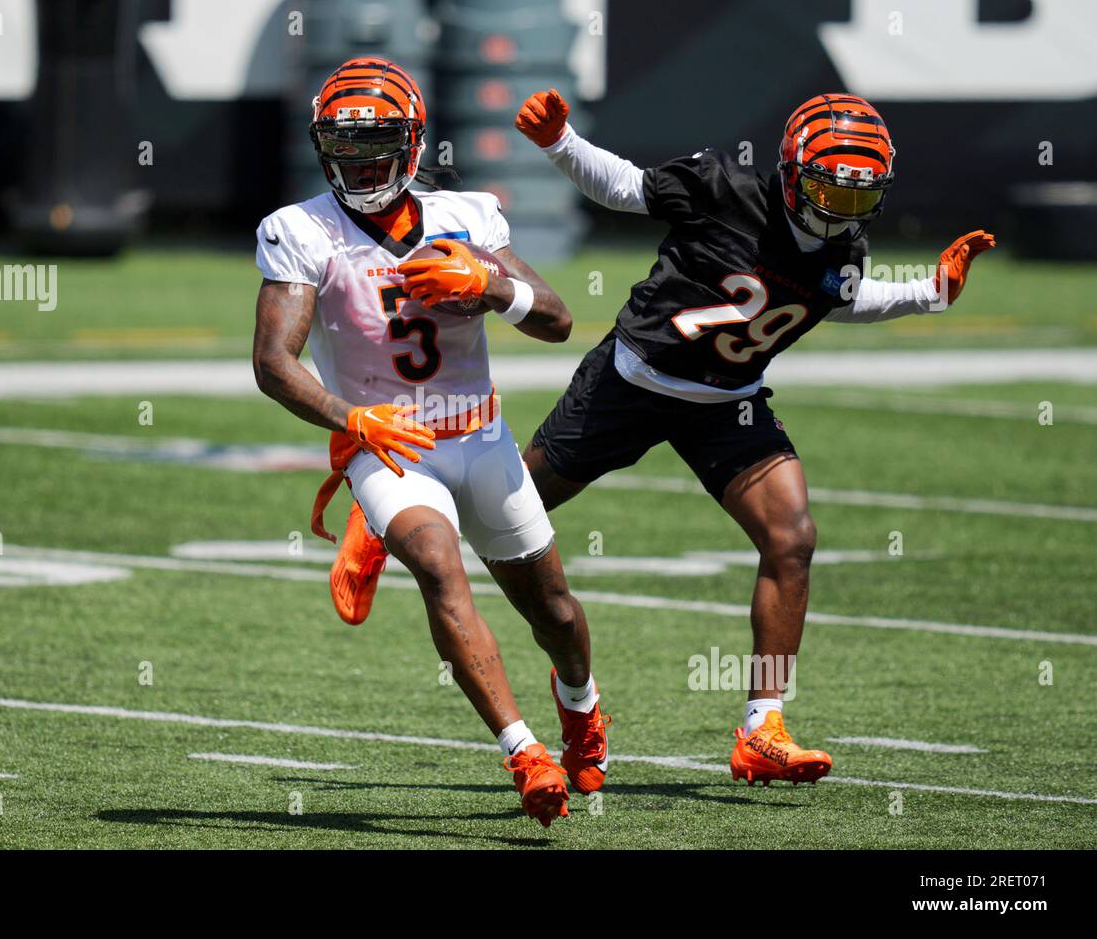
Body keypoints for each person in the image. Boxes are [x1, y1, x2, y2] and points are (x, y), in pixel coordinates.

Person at [514, 88, 995, 785]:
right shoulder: (720, 188)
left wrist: (929, 292)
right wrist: (561, 143)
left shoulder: (844, 244)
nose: (840, 212)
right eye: (829, 191)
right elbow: (624, 188)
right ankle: (390, 525)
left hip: (727, 406)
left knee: (791, 537)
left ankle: (761, 726)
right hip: (632, 384)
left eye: (857, 199)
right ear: (792, 174)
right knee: (508, 514)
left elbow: (839, 295)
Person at [252, 58, 610, 826]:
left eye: (374, 145)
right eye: (343, 147)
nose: (358, 162)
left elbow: (557, 322)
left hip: (479, 435)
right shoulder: (300, 229)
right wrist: (352, 420)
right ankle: (524, 753)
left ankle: (579, 706)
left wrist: (491, 288)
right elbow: (273, 362)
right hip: (388, 446)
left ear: (413, 144)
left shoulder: (470, 216)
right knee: (440, 567)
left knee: (554, 611)